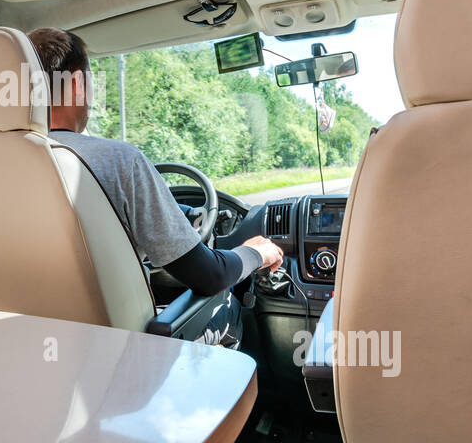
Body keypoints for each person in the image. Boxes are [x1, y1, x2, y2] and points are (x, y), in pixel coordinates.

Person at [26, 28, 284, 349]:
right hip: (116, 349)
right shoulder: (119, 161)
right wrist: (256, 252)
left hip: (16, 344)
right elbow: (211, 276)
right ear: (77, 85)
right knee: (226, 305)